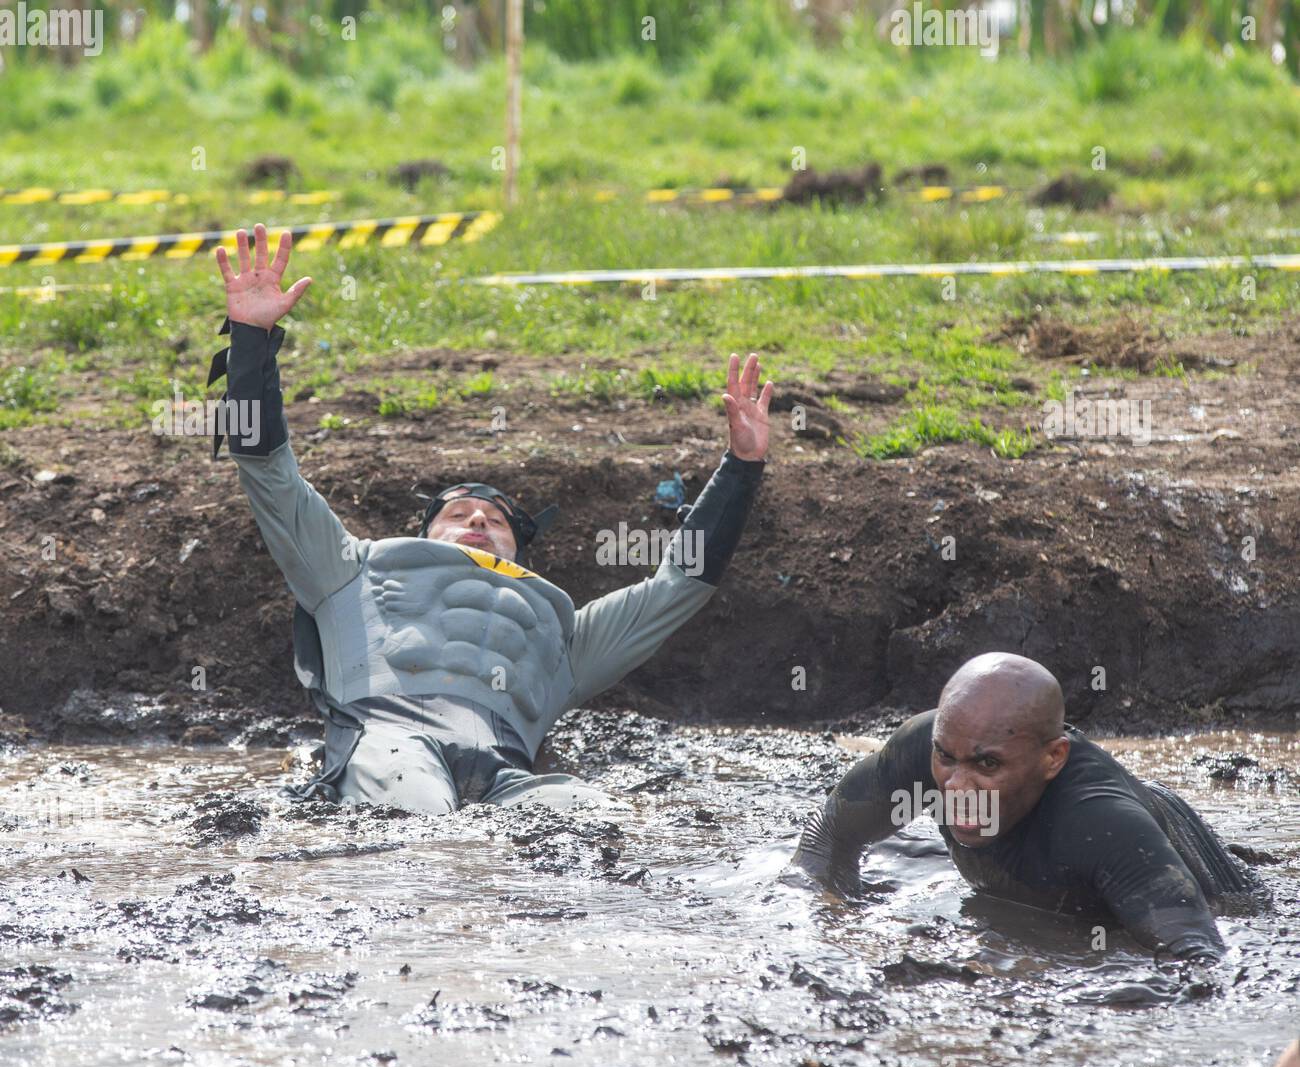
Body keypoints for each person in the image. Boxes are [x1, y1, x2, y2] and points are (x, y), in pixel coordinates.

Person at [209, 224, 771, 814]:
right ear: (425, 534)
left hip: (509, 767)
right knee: (417, 808)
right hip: (390, 743)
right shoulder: (350, 571)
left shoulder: (565, 636)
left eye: (496, 518)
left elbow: (678, 586)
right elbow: (268, 470)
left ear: (518, 552)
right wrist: (251, 339)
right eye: (457, 512)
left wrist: (741, 467)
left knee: (595, 816)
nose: (478, 516)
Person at [791, 653, 1270, 961]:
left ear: (1052, 758)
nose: (956, 788)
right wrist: (834, 928)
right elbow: (828, 837)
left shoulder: (1101, 823)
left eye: (987, 764)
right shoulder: (923, 750)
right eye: (946, 758)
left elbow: (1198, 955)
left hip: (1217, 892)